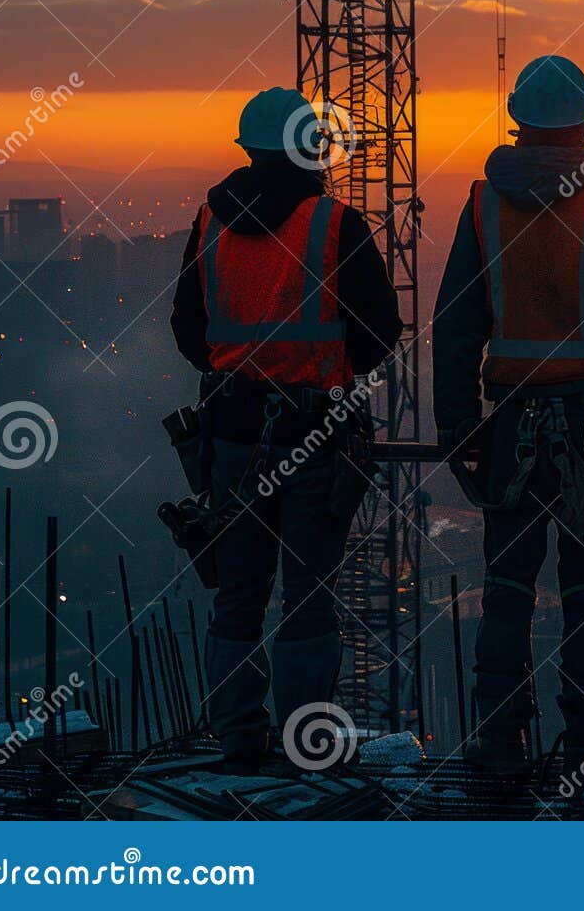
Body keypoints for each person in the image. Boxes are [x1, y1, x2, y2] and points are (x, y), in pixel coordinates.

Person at [433, 54, 584, 776]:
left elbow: (455, 324)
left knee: (506, 588)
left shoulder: (482, 205)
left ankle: (499, 740)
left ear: (521, 124)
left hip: (509, 425)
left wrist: (456, 426)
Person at [170, 86, 402, 770]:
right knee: (308, 597)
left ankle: (239, 737)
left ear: (246, 148)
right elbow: (379, 332)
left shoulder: (211, 221)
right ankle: (307, 745)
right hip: (312, 436)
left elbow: (189, 327)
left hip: (233, 438)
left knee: (238, 595)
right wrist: (321, 369)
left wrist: (240, 374)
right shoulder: (333, 223)